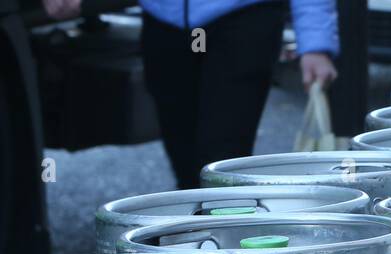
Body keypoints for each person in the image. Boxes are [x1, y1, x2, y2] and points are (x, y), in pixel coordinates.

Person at [42, 0, 339, 189]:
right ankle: (195, 252)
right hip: (164, 20)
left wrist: (315, 44)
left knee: (222, 157)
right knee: (184, 157)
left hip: (242, 18)